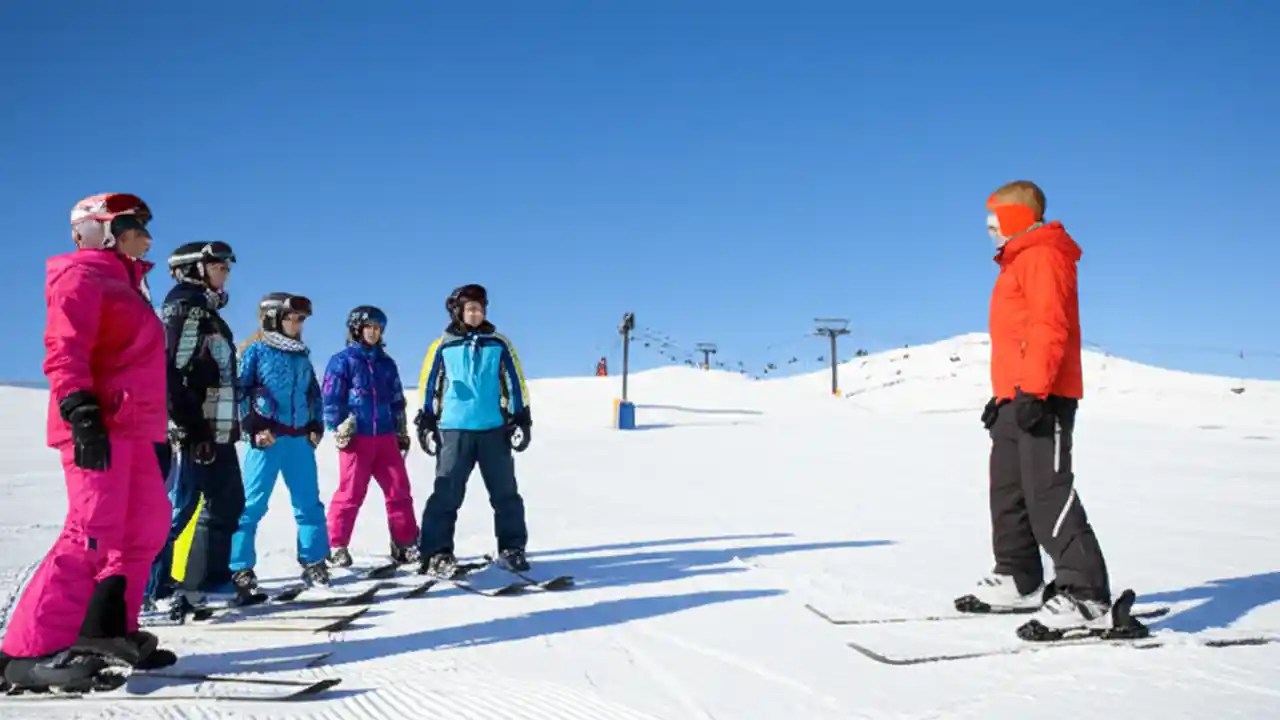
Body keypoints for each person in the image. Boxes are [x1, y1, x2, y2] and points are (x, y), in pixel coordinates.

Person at [0, 194, 174, 692]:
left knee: (144, 527)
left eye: (145, 223)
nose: (146, 233)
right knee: (90, 532)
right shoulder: (79, 276)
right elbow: (64, 347)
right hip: (99, 424)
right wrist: (80, 410)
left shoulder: (128, 285)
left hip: (136, 429)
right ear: (101, 230)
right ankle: (26, 652)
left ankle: (104, 629)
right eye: (133, 224)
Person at [954, 180, 1111, 632]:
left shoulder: (1044, 255)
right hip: (1017, 395)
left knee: (1047, 491)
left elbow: (1049, 325)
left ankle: (1086, 594)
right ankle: (1017, 575)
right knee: (1008, 490)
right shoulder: (1016, 263)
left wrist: (1035, 391)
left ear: (1017, 219)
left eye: (994, 223)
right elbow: (1016, 339)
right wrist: (1003, 396)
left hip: (1045, 395)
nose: (989, 232)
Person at [146, 241, 244, 613]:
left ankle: (209, 578)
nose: (225, 274)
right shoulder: (185, 308)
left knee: (228, 500)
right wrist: (189, 424)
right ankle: (152, 588)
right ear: (195, 269)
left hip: (216, 428)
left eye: (226, 268)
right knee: (179, 508)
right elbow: (172, 369)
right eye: (219, 267)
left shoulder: (206, 311)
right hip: (195, 427)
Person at [414, 283, 532, 576]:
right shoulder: (442, 345)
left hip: (494, 429)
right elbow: (428, 383)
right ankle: (437, 553)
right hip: (454, 429)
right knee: (446, 493)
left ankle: (512, 548)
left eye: (480, 308)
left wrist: (521, 416)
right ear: (457, 311)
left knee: (506, 494)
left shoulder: (498, 343)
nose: (476, 313)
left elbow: (514, 380)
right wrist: (426, 418)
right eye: (470, 308)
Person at [228, 293, 331, 599]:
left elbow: (313, 394)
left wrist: (315, 424)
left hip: (298, 439)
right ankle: (240, 568)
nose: (299, 324)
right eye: (293, 318)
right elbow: (241, 390)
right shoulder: (256, 351)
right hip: (266, 440)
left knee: (308, 503)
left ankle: (314, 560)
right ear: (274, 318)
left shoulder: (301, 355)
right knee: (250, 506)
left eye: (301, 319)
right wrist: (254, 426)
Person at [322, 305, 419, 568]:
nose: (374, 333)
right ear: (356, 329)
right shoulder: (342, 361)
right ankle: (336, 545)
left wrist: (400, 430)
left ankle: (405, 542)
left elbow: (397, 399)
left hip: (385, 436)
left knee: (399, 490)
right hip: (357, 436)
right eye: (369, 327)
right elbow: (331, 398)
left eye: (378, 328)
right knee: (351, 492)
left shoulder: (386, 363)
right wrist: (339, 426)